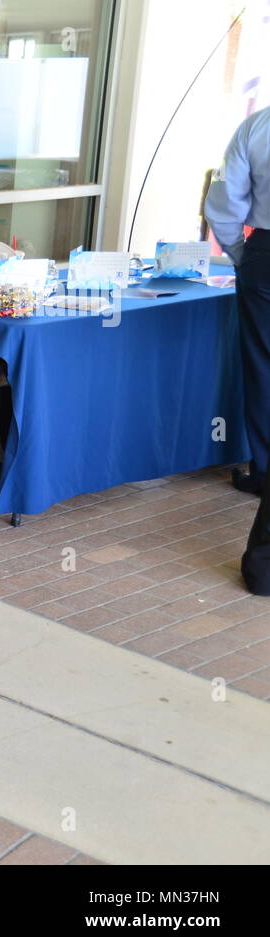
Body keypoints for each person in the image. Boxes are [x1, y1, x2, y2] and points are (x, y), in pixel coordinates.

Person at [206, 105, 270, 594]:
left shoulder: (258, 124)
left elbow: (226, 200)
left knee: (265, 376)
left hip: (266, 258)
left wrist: (241, 253)